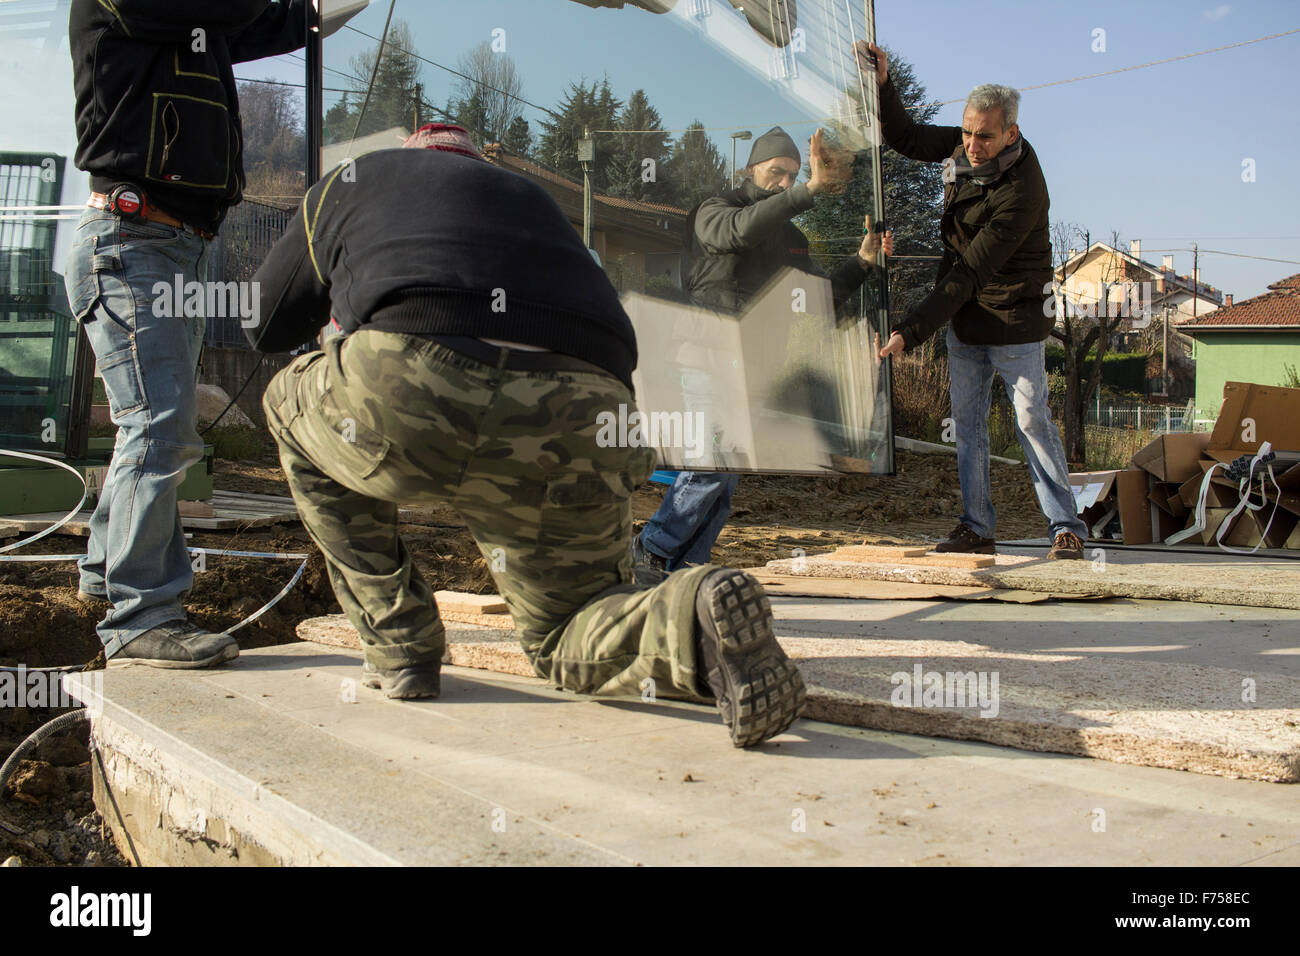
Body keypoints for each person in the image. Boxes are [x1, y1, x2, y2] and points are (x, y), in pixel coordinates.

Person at [248, 124, 807, 748]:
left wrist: (343, 299)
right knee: (566, 632)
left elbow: (264, 323)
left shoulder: (354, 180)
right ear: (475, 163)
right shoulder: (532, 201)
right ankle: (689, 625)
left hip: (413, 385)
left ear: (411, 156)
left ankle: (399, 642)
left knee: (287, 398)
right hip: (590, 407)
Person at [62, 1, 322, 668]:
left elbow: (266, 22)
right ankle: (142, 616)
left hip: (178, 247)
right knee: (160, 421)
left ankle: (104, 573)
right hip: (129, 241)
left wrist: (316, 10)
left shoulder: (195, 25)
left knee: (150, 421)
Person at [633, 126, 892, 586]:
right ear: (751, 168)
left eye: (793, 176)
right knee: (718, 462)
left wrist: (863, 262)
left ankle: (684, 570)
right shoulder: (714, 211)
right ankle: (651, 548)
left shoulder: (789, 237)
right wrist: (810, 191)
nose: (784, 184)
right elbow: (737, 232)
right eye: (777, 173)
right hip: (706, 356)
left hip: (751, 363)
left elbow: (818, 298)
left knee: (727, 480)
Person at [863, 41, 1086, 560]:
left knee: (1031, 420)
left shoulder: (1023, 187)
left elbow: (970, 270)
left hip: (1013, 317)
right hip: (964, 314)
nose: (971, 144)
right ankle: (976, 526)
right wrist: (884, 85)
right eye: (966, 131)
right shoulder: (964, 149)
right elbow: (906, 135)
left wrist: (911, 330)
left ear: (1011, 131)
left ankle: (1065, 526)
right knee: (966, 424)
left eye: (984, 135)